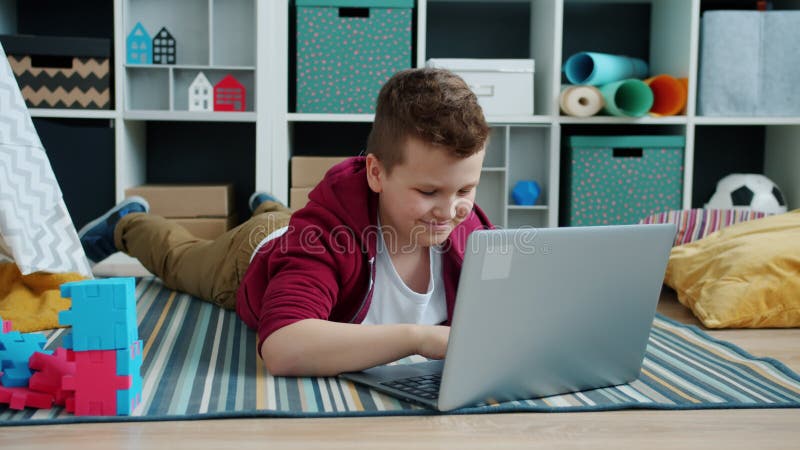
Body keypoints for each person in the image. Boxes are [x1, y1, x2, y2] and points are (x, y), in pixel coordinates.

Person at [79, 67, 492, 377]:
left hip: (298, 226)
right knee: (182, 259)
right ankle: (129, 222)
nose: (449, 210)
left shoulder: (465, 229)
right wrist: (417, 338)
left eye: (464, 190)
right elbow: (282, 347)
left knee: (286, 219)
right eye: (428, 192)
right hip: (252, 253)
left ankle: (268, 204)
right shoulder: (321, 238)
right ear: (376, 174)